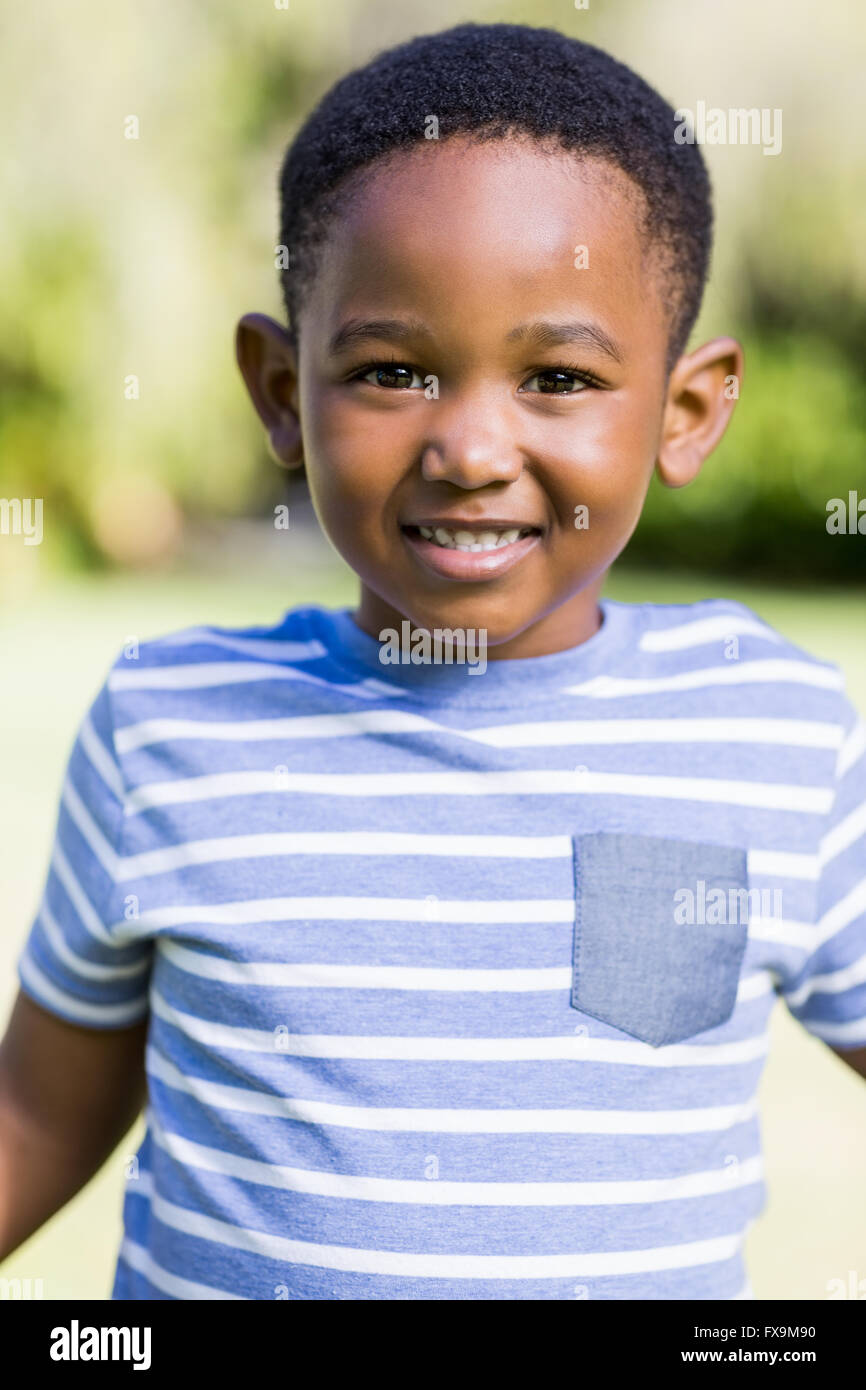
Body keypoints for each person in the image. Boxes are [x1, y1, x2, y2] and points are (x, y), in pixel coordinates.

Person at [1, 22, 864, 1301]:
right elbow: (40, 1107)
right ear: (285, 393)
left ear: (682, 415)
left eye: (557, 376)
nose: (467, 447)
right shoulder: (167, 727)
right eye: (392, 370)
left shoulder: (774, 739)